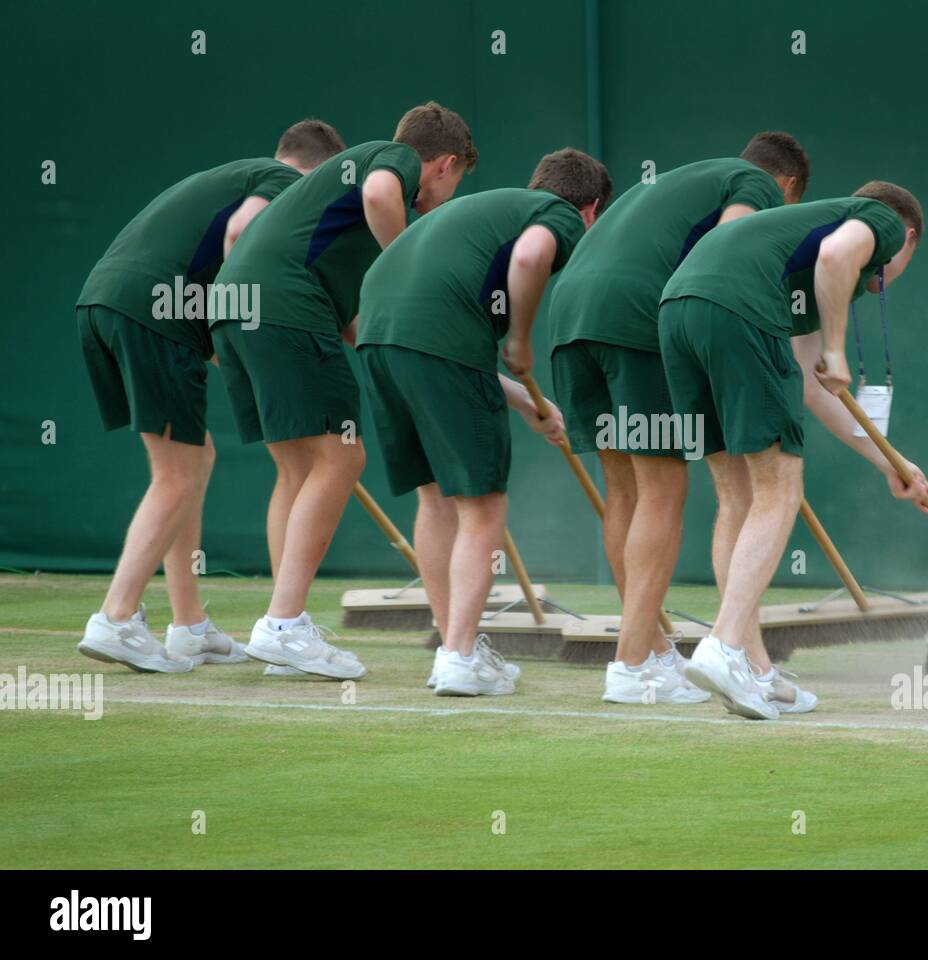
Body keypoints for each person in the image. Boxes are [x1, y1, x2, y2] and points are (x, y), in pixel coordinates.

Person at [210, 102, 475, 680]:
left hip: (236, 306)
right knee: (343, 454)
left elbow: (350, 323)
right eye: (455, 182)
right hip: (284, 306)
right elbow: (381, 193)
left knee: (298, 471)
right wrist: (413, 269)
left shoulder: (335, 216)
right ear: (445, 164)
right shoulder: (395, 160)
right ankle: (282, 625)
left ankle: (284, 629)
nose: (446, 195)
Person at [546, 132, 809, 704]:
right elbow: (728, 248)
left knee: (626, 492)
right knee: (664, 488)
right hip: (635, 324)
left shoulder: (673, 181)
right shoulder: (756, 184)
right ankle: (632, 661)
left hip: (568, 322)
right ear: (786, 187)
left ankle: (649, 652)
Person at [75, 120, 345, 673]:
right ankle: (116, 618)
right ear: (313, 171)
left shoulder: (230, 174)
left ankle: (190, 626)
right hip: (154, 311)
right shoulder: (281, 181)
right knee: (179, 473)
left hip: (106, 304)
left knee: (191, 461)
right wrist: (245, 320)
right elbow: (241, 233)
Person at [658, 181, 928, 719]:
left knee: (737, 496)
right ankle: (723, 646)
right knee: (780, 487)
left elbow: (811, 383)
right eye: (905, 260)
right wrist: (836, 346)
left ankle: (751, 668)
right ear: (907, 237)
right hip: (734, 312)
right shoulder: (878, 222)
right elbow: (836, 256)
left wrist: (891, 463)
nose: (891, 273)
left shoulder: (812, 272)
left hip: (678, 314)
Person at [357, 148, 611, 696]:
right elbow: (529, 259)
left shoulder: (481, 210)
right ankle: (459, 654)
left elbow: (435, 340)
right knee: (484, 505)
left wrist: (524, 401)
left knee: (435, 497)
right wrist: (519, 338)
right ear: (590, 209)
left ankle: (456, 644)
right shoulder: (557, 214)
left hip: (377, 334)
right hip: (434, 344)